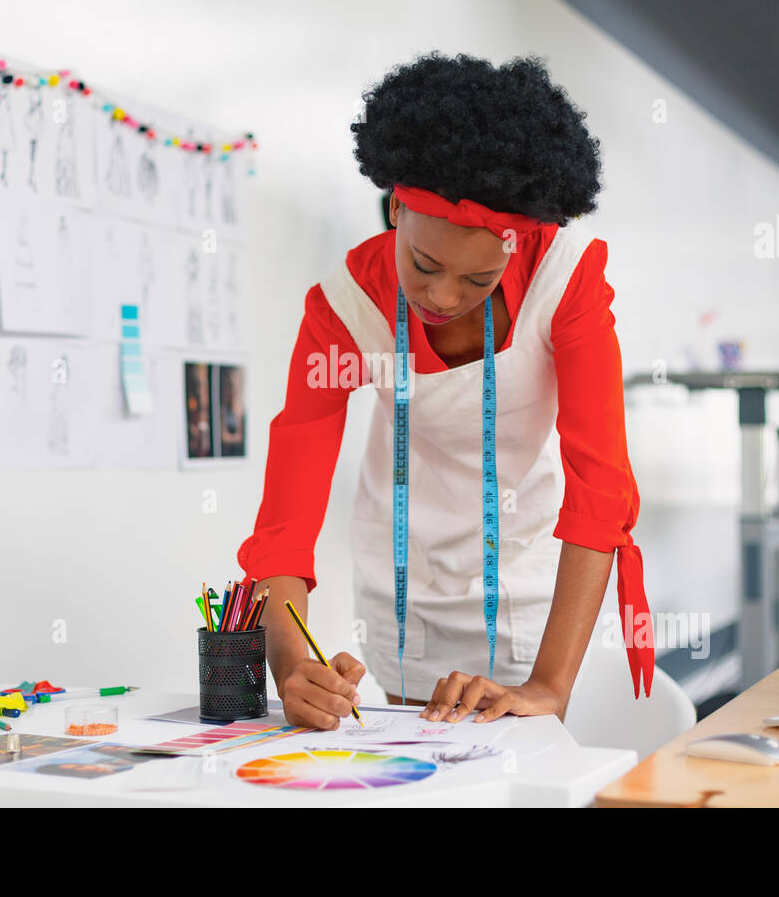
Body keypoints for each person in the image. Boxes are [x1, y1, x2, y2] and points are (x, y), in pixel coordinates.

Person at [237, 52, 654, 731]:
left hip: (535, 588)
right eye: (424, 265)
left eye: (478, 281)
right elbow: (285, 525)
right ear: (397, 207)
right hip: (407, 591)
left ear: (517, 250)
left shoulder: (566, 283)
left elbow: (601, 489)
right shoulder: (342, 312)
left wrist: (550, 684)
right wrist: (289, 663)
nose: (442, 297)